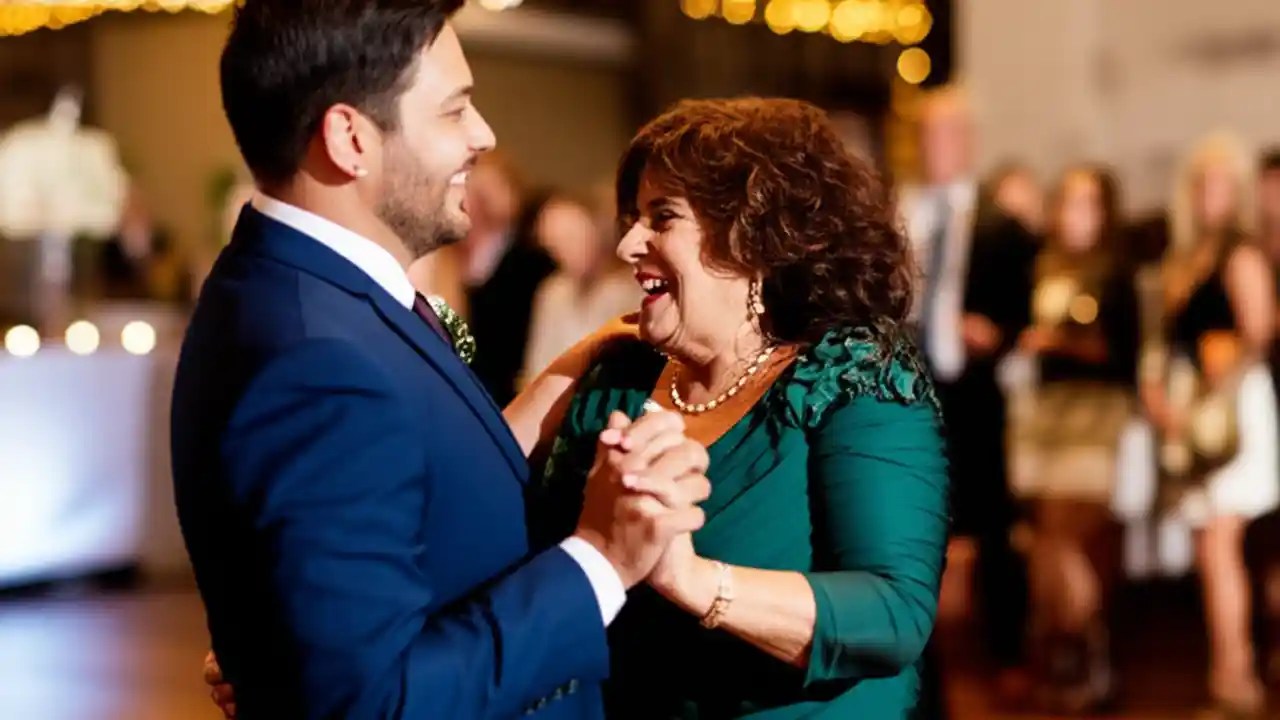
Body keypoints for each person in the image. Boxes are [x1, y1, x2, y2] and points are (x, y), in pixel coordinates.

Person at [207, 97, 950, 718]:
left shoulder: (853, 371)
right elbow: (479, 539)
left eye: (662, 218)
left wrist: (690, 580)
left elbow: (892, 613)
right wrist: (306, 649)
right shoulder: (621, 377)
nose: (628, 242)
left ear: (754, 236)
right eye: (632, 216)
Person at [172, 2, 713, 718]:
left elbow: (424, 485)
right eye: (454, 111)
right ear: (350, 138)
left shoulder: (300, 291)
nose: (483, 136)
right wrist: (602, 559)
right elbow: (375, 703)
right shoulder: (317, 359)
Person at [898, 85, 1037, 701]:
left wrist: (996, 334)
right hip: (912, 394)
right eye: (928, 135)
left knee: (995, 531)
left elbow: (1023, 313)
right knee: (915, 529)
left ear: (969, 142)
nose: (937, 147)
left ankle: (1007, 654)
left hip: (975, 394)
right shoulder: (903, 214)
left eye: (948, 135)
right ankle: (925, 677)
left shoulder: (1000, 225)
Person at [1141, 132, 1278, 717]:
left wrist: (1210, 386)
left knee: (1221, 545)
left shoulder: (1241, 254)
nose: (1210, 195)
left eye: (1222, 183)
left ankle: (1235, 679)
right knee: (1209, 547)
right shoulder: (1184, 257)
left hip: (1231, 413)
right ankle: (1230, 671)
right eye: (1203, 183)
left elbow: (1259, 331)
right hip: (1189, 408)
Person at [1016, 165, 1136, 712]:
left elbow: (1122, 355)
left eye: (1087, 204)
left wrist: (1059, 344)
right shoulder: (1041, 265)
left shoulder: (1115, 273)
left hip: (1095, 415)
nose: (1074, 215)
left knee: (1066, 538)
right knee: (1045, 541)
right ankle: (1069, 655)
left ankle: (1090, 651)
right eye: (1068, 202)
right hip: (1046, 416)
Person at [521, 190, 641, 382]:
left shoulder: (631, 289)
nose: (566, 252)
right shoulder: (552, 292)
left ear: (595, 226)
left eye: (571, 237)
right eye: (554, 246)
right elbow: (536, 371)